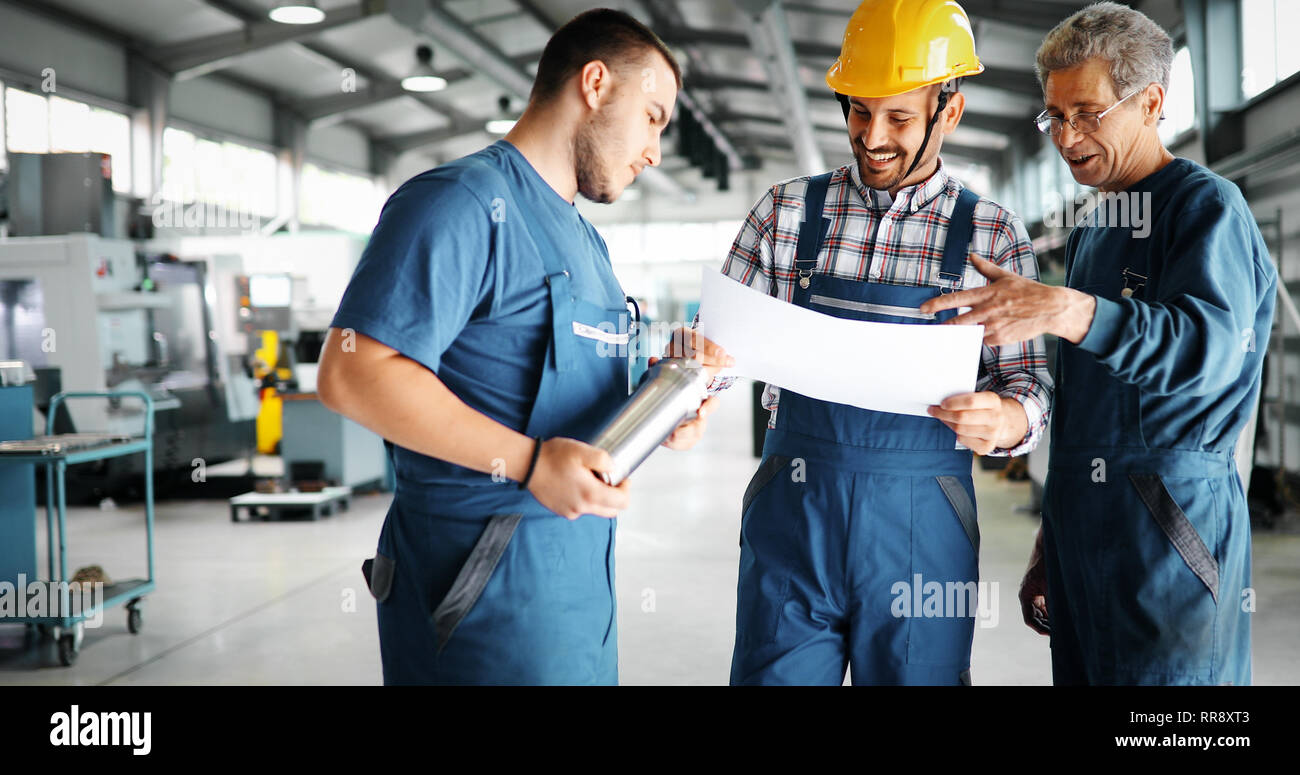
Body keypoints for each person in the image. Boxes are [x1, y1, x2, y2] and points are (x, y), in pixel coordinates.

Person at [316, 9, 727, 685]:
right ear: (594, 84)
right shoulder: (460, 203)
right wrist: (531, 462)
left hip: (574, 595)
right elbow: (353, 373)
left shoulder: (585, 242)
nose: (655, 151)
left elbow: (562, 412)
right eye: (653, 116)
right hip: (479, 599)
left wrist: (660, 408)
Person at [922, 2, 1275, 685]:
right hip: (1084, 541)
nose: (1065, 134)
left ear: (1151, 103)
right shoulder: (1093, 230)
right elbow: (1084, 412)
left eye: (1086, 112)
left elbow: (1209, 351)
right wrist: (1052, 539)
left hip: (1171, 542)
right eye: (1053, 115)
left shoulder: (1205, 209)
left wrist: (1065, 308)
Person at [711, 0, 1052, 685]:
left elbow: (1029, 386)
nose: (871, 137)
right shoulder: (784, 213)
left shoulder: (994, 236)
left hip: (922, 531)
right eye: (859, 112)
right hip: (795, 519)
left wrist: (1009, 419)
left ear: (948, 113)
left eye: (899, 117)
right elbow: (716, 349)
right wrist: (692, 377)